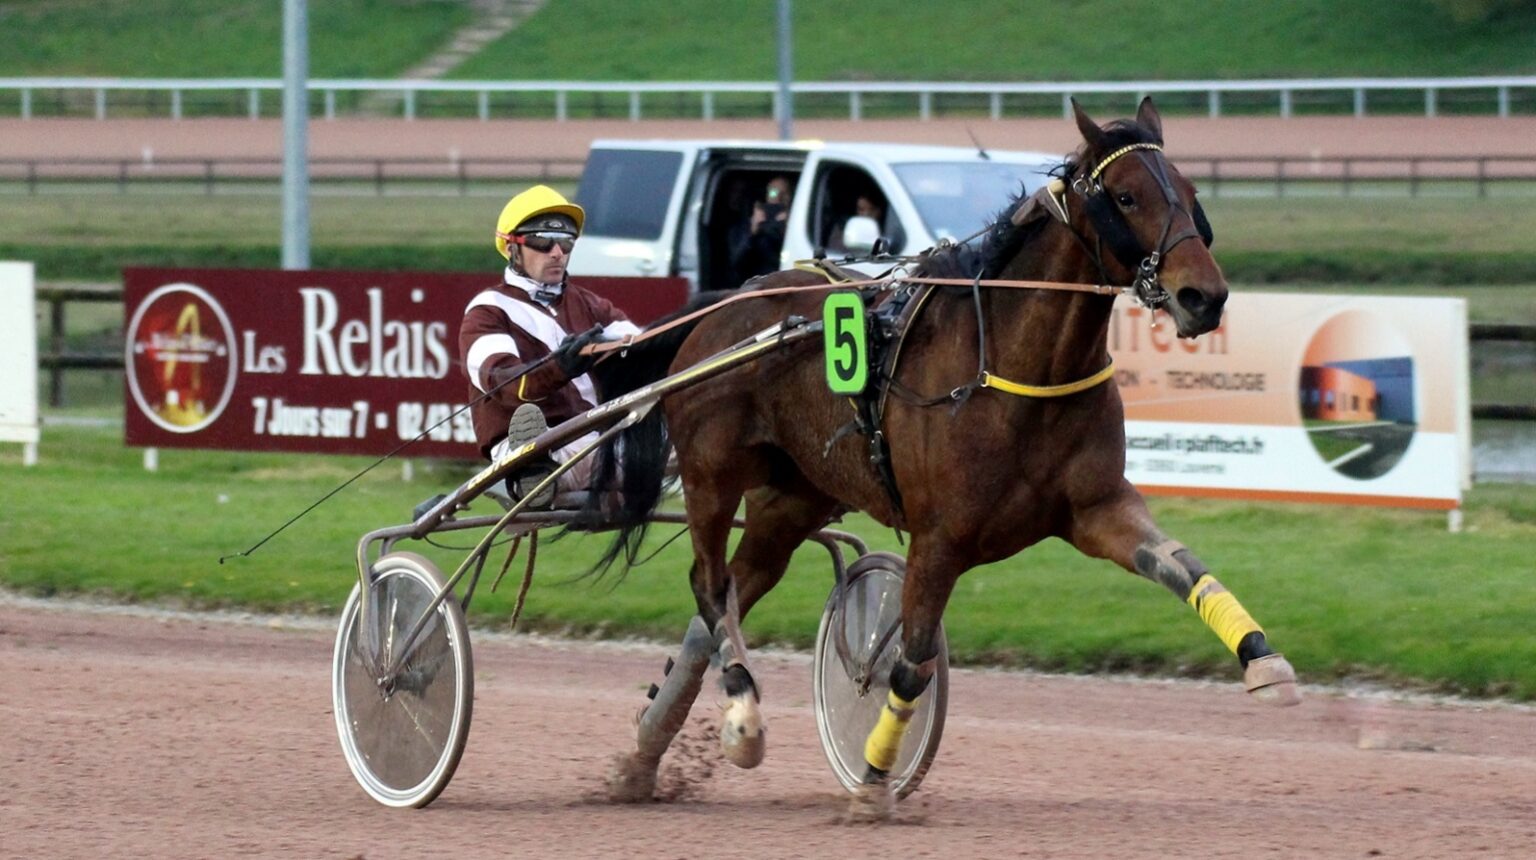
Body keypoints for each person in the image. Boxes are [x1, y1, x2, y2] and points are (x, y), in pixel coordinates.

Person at [459, 184, 641, 507]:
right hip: (522, 446)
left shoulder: (589, 304)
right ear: (513, 247)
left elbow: (642, 347)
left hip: (590, 439)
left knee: (683, 437)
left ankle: (548, 474)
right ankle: (532, 468)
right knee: (624, 455)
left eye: (566, 242)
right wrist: (561, 368)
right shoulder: (487, 311)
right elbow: (502, 384)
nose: (557, 252)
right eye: (543, 241)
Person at [726, 175, 793, 286]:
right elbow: (736, 263)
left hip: (783, 284)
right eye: (774, 193)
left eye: (784, 194)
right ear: (766, 196)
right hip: (754, 286)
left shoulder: (797, 225)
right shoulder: (742, 228)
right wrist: (752, 231)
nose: (778, 198)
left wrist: (788, 229)